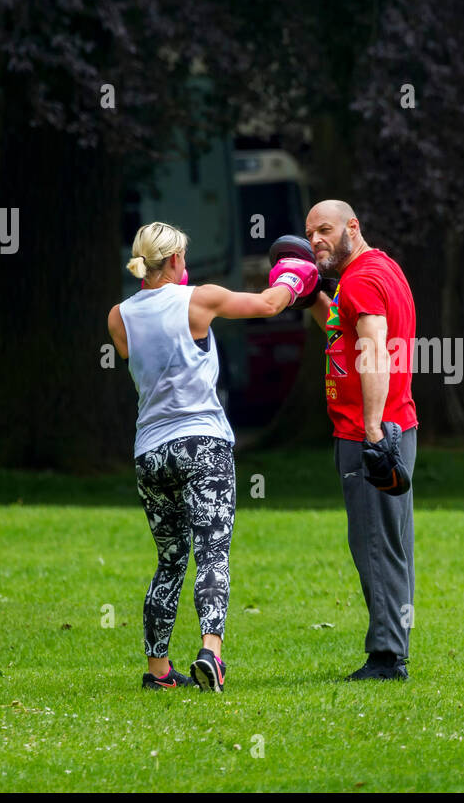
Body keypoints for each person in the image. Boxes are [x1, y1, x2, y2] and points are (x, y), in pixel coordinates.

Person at [107, 221, 317, 691]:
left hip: (150, 452)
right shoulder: (198, 299)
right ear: (177, 260)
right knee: (212, 555)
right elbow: (268, 304)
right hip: (203, 442)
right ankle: (211, 654)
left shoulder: (118, 316)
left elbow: (133, 353)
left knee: (170, 561)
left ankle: (159, 672)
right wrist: (293, 272)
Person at [303, 200, 418, 681]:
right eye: (310, 235)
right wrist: (310, 297)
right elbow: (344, 332)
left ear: (353, 227)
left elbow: (372, 349)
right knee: (390, 542)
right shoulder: (380, 268)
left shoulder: (362, 280)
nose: (316, 242)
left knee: (374, 542)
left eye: (325, 231)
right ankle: (394, 647)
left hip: (369, 430)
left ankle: (387, 657)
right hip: (395, 424)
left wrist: (372, 431)